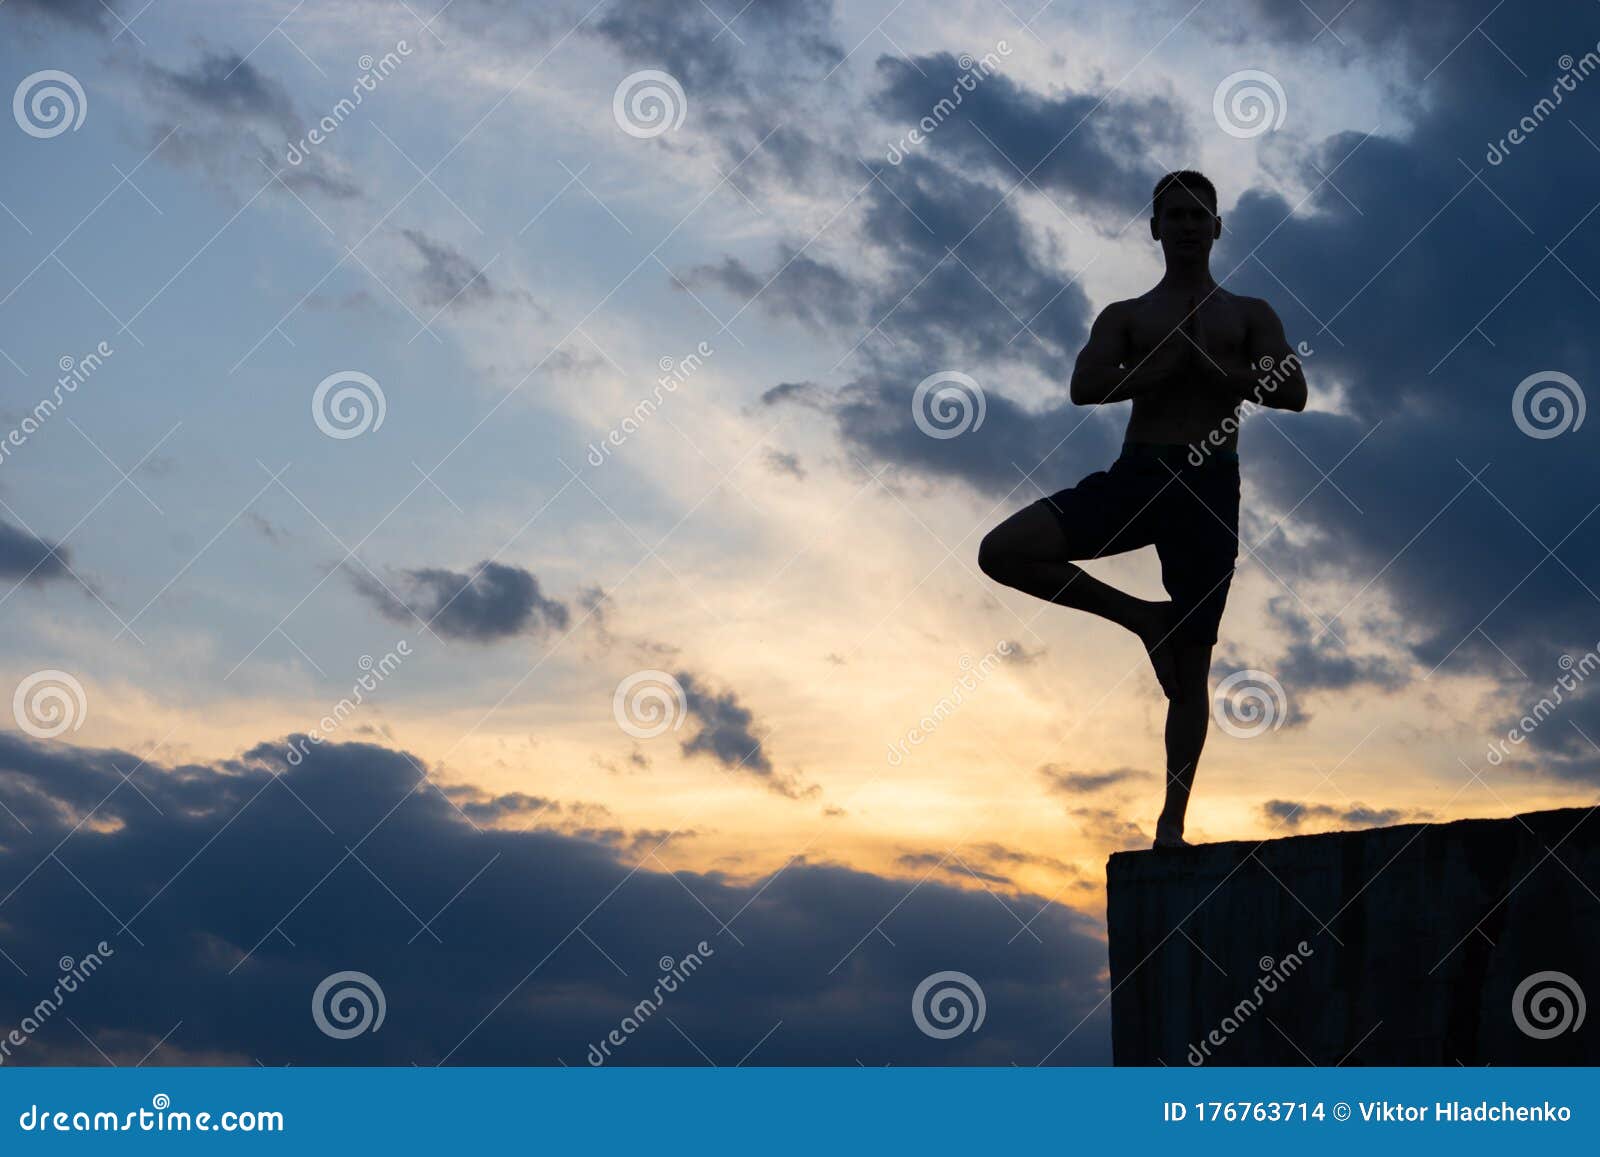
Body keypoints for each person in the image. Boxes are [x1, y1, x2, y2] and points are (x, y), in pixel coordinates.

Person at [977, 170, 1307, 848]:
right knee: (1001, 549)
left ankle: (1170, 827)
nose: (1187, 225)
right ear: (1154, 227)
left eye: (1199, 215)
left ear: (1217, 228)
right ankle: (1141, 618)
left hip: (1209, 486)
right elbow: (1083, 385)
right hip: (1140, 474)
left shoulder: (1249, 313)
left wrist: (1220, 375)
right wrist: (1154, 370)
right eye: (1174, 214)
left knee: (1192, 665)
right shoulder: (1127, 316)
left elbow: (1293, 389)